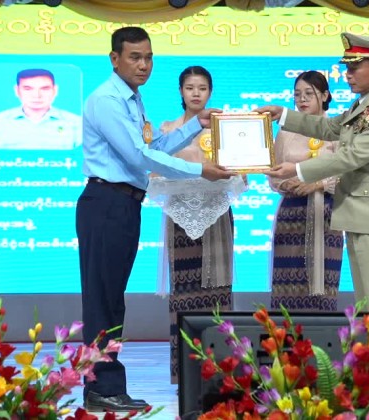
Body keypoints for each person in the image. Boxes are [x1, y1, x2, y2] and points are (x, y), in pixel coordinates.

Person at [76, 27, 235, 412]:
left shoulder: (133, 99)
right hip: (105, 203)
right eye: (134, 57)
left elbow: (153, 148)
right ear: (115, 59)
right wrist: (199, 172)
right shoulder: (107, 100)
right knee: (102, 300)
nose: (143, 64)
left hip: (124, 204)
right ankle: (99, 387)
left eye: (148, 57)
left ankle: (107, 385)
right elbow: (138, 158)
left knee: (112, 300)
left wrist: (195, 125)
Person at [258, 32, 369, 407]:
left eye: (357, 66)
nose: (349, 73)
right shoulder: (365, 105)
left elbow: (349, 157)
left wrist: (299, 167)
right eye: (347, 66)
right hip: (362, 217)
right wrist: (286, 115)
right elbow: (330, 129)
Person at [157, 66, 234, 385]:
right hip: (180, 216)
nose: (196, 93)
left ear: (210, 91)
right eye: (190, 87)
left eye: (202, 88)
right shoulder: (166, 128)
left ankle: (221, 370)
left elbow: (237, 166)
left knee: (217, 291)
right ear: (180, 91)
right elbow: (157, 167)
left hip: (217, 215)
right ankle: (184, 371)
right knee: (184, 292)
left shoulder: (224, 126)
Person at [267, 70, 343, 312]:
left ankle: (321, 345)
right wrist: (284, 183)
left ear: (325, 95)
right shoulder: (287, 131)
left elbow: (347, 172)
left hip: (326, 214)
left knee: (321, 286)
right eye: (297, 94)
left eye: (309, 94)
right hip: (291, 215)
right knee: (287, 286)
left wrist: (317, 183)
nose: (302, 99)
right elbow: (273, 172)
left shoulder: (336, 128)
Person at [0, 68, 82, 150]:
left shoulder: (76, 123)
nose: (37, 95)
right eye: (28, 89)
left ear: (55, 90)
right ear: (17, 91)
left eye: (45, 89)